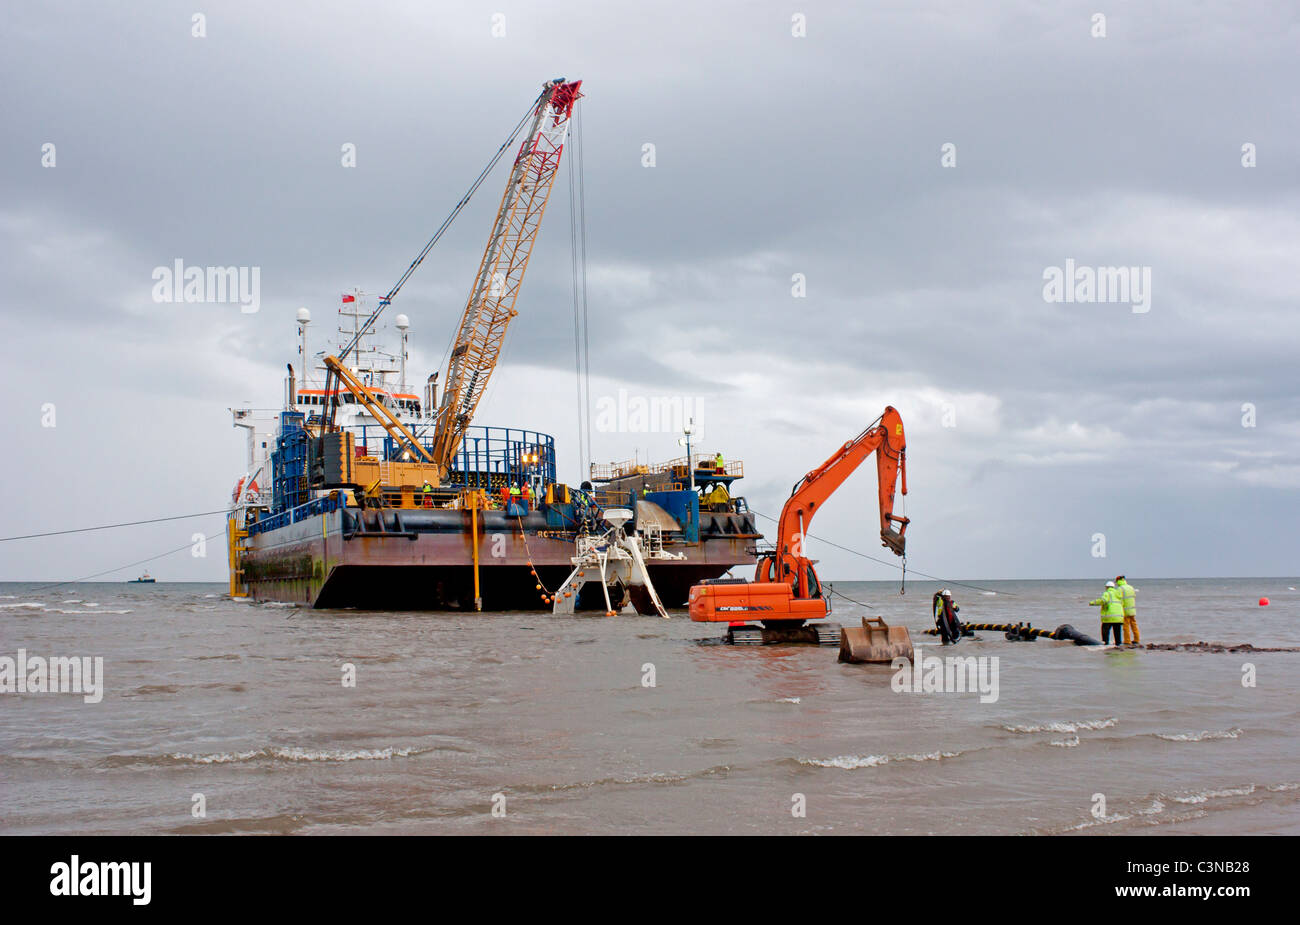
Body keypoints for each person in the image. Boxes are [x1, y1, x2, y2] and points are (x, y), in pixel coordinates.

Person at [1115, 575, 1139, 644]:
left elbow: (1118, 599)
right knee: (1134, 625)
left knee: (1126, 627)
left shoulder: (1120, 588)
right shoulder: (1131, 587)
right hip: (1132, 609)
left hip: (1125, 610)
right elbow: (1134, 596)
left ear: (1118, 581)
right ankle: (1136, 639)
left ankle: (1127, 641)